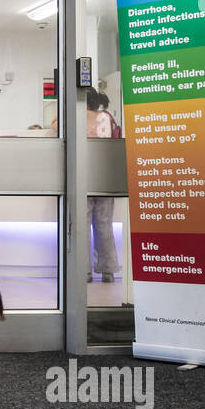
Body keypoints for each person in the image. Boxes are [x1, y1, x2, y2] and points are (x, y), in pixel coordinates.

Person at [86, 91, 122, 284]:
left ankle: (83, 271)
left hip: (83, 177)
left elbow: (55, 126)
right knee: (104, 225)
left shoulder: (74, 116)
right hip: (105, 177)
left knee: (80, 227)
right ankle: (108, 272)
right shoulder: (107, 117)